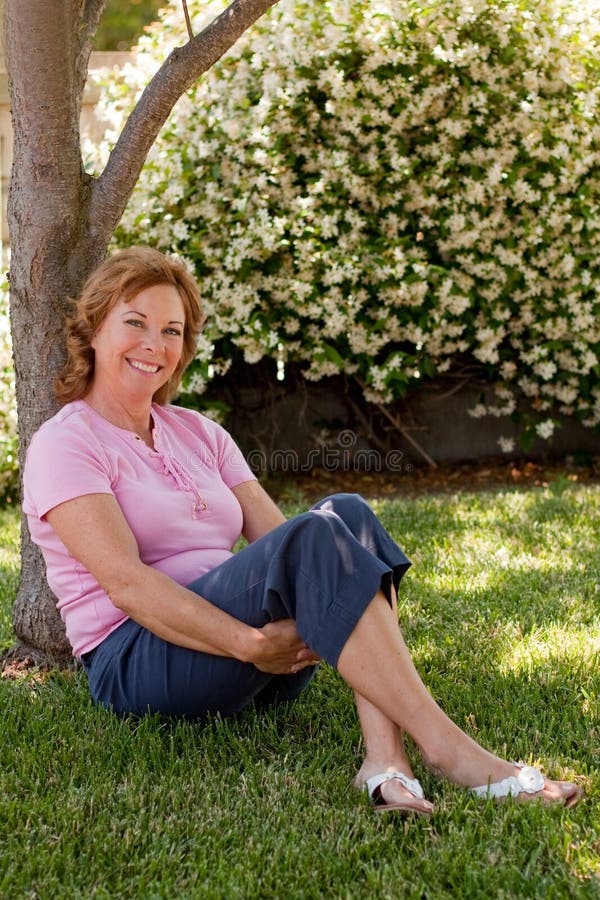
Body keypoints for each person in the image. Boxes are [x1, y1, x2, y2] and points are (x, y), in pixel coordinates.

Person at [23, 246, 581, 816]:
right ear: (94, 329)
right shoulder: (66, 443)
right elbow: (127, 585)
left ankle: (385, 760)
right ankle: (448, 750)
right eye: (135, 322)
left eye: (172, 330)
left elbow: (285, 537)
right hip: (140, 663)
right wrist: (251, 644)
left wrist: (294, 621)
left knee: (346, 514)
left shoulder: (198, 432)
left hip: (254, 664)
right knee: (319, 533)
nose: (155, 344)